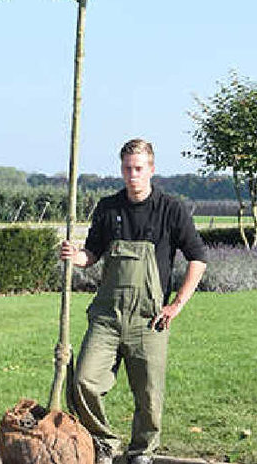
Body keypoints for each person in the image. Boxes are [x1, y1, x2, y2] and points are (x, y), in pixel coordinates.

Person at [60, 139, 207, 464]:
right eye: (127, 168)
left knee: (150, 395)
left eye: (139, 168)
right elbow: (92, 254)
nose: (133, 175)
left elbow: (198, 259)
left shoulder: (171, 209)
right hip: (107, 317)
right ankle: (104, 442)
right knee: (83, 381)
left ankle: (142, 452)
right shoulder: (108, 208)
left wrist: (176, 305)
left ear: (151, 169)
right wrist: (75, 255)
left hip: (149, 319)